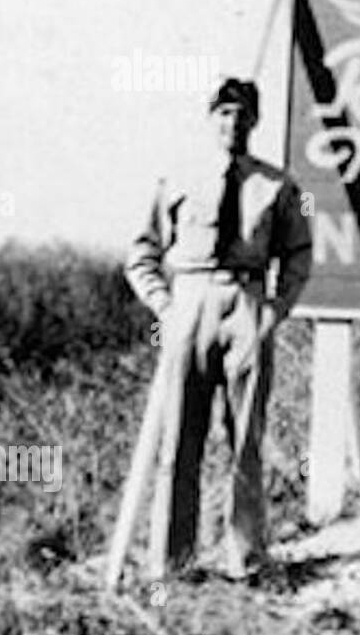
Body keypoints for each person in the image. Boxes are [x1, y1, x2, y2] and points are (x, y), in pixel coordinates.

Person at [125, 77, 312, 580]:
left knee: (245, 438)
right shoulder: (178, 178)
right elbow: (141, 252)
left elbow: (298, 252)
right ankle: (171, 563)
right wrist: (165, 306)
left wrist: (277, 307)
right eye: (225, 113)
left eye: (243, 113)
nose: (234, 123)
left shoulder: (276, 185)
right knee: (180, 438)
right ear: (211, 119)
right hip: (190, 302)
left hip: (247, 302)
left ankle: (246, 558)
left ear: (256, 120)